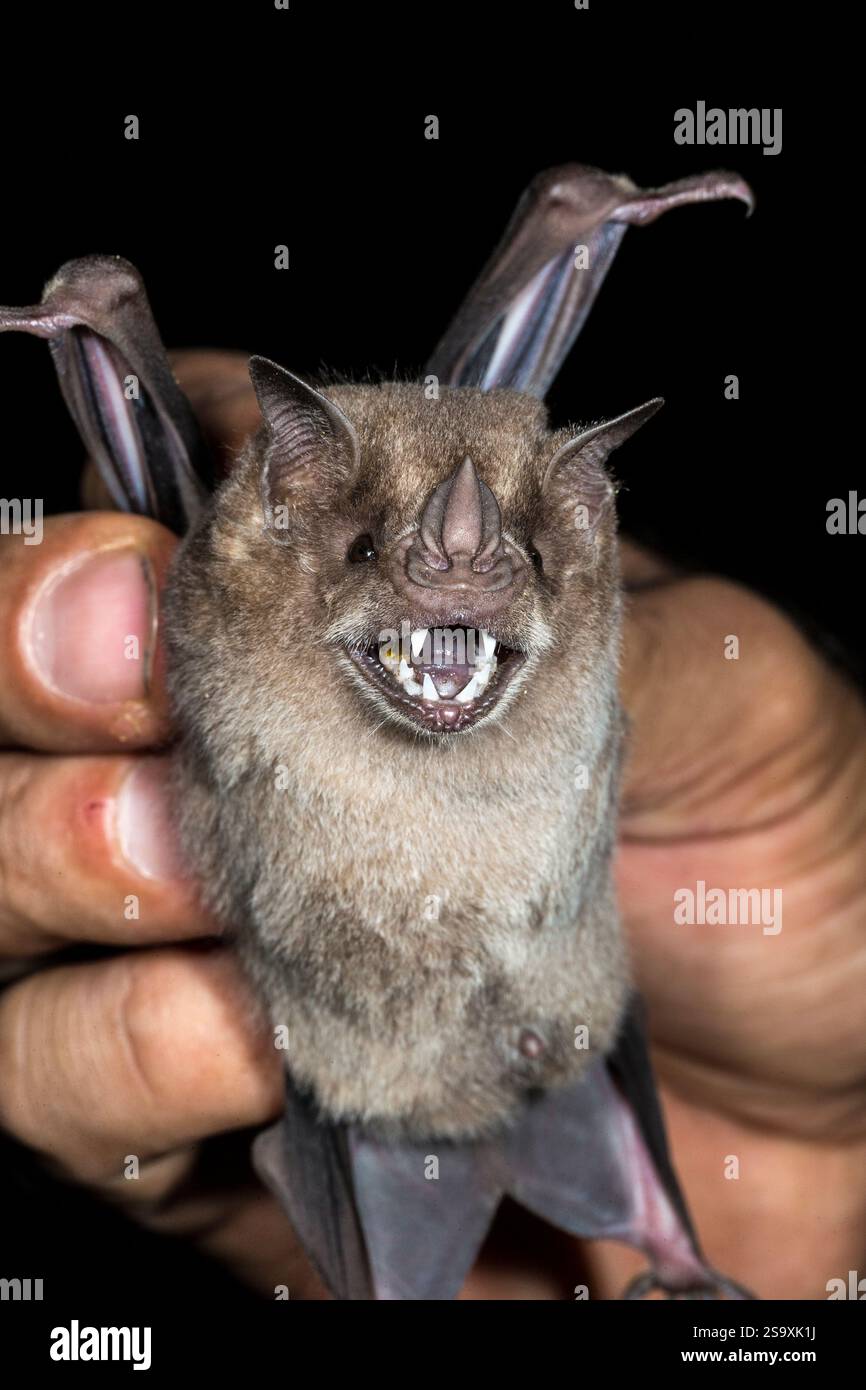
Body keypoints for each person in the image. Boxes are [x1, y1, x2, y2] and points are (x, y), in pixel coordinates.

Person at [0, 352, 863, 1301]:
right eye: (372, 551)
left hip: (545, 1037)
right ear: (294, 507)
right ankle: (657, 1238)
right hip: (377, 1087)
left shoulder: (587, 651)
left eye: (522, 557)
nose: (457, 584)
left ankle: (666, 1233)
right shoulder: (234, 590)